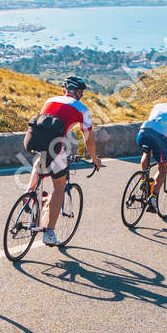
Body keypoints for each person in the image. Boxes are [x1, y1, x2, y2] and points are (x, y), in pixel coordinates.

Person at [24, 75, 102, 246]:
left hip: (31, 138)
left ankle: (29, 194)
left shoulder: (49, 100)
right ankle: (49, 233)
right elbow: (88, 139)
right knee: (59, 186)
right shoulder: (82, 109)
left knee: (42, 157)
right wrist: (94, 158)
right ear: (80, 94)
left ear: (64, 90)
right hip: (54, 144)